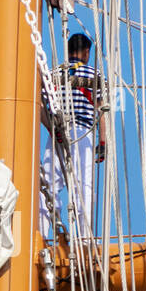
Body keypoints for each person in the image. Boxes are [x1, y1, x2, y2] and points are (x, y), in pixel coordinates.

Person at [40, 33, 108, 241]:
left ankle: (41, 234)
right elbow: (102, 110)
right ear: (86, 52)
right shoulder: (95, 74)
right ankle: (85, 239)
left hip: (57, 133)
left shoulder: (52, 74)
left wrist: (53, 130)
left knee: (48, 185)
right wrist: (103, 142)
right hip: (83, 133)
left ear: (68, 50)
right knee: (83, 186)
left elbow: (41, 106)